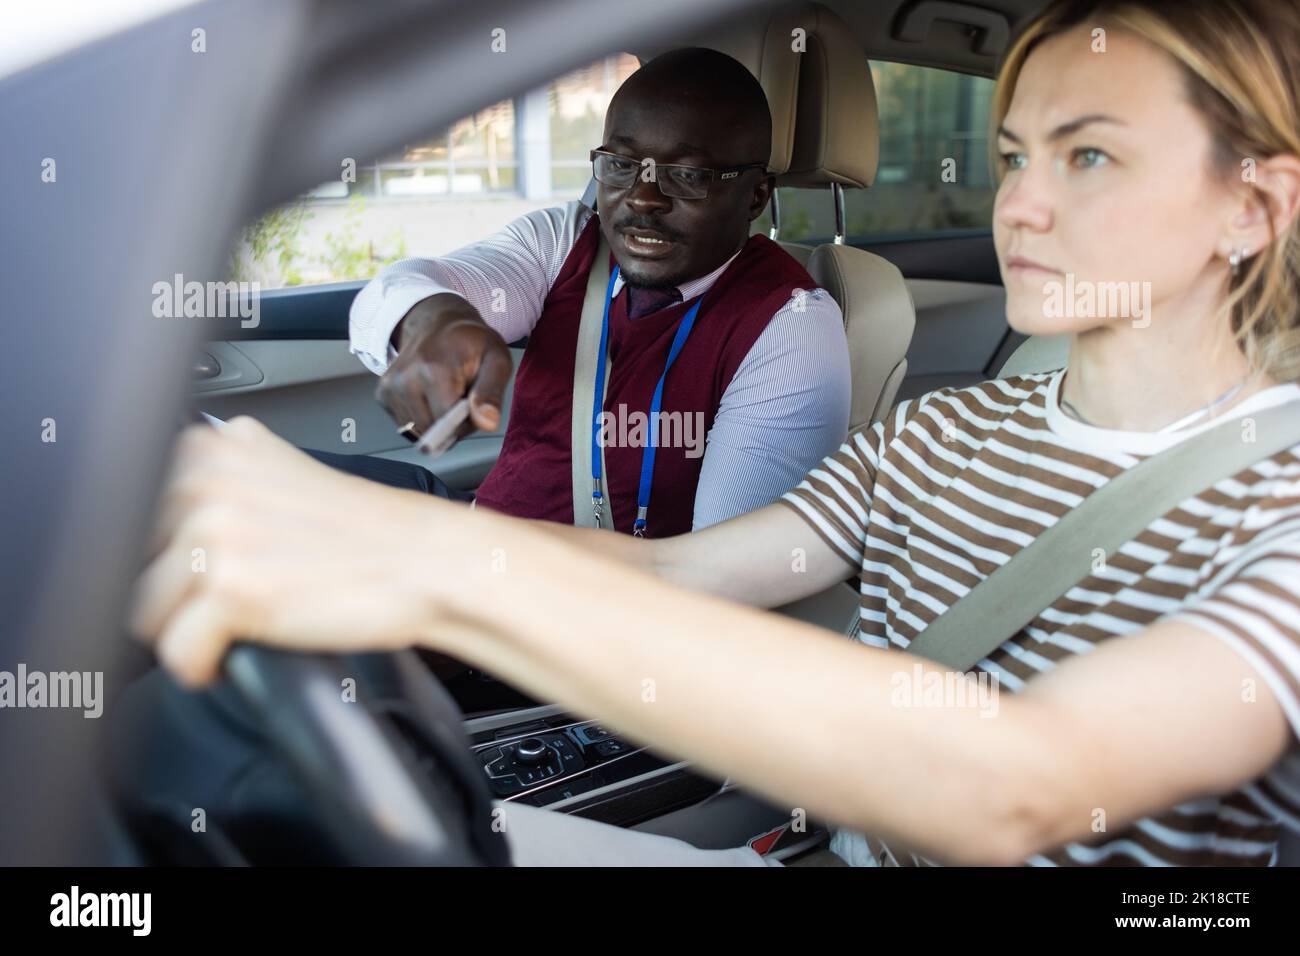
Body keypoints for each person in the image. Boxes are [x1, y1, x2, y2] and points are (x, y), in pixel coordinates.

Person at [132, 0, 1300, 866]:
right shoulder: (939, 436)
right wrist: (361, 535)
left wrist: (419, 565)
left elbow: (1023, 786)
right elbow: (682, 570)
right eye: (1009, 157)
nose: (1020, 205)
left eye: (1086, 154)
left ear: (1251, 205)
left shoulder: (1283, 501)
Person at [335, 46, 851, 537]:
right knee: (258, 482)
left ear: (756, 194)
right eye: (622, 165)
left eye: (688, 175)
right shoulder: (566, 241)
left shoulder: (790, 323)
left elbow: (725, 572)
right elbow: (405, 286)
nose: (643, 198)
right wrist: (440, 322)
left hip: (580, 606)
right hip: (475, 537)